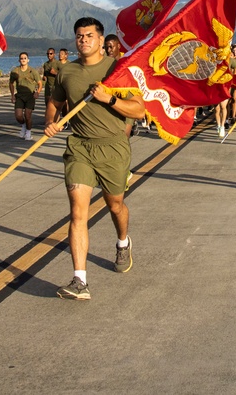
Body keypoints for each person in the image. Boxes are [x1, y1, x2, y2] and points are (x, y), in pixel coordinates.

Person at [44, 17, 146, 301]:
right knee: (78, 212)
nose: (84, 39)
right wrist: (50, 122)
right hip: (79, 147)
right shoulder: (67, 72)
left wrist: (108, 99)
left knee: (115, 205)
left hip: (113, 148)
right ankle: (80, 280)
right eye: (79, 35)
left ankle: (123, 242)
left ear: (102, 41)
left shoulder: (118, 71)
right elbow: (55, 102)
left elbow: (139, 111)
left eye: (89, 35)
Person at [9, 52, 42, 140]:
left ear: (28, 60)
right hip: (19, 96)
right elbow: (11, 83)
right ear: (19, 60)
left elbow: (39, 83)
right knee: (18, 116)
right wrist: (12, 95)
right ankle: (23, 125)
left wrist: (37, 92)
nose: (23, 60)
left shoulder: (33, 71)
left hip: (30, 96)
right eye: (21, 58)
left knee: (28, 115)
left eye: (25, 58)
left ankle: (28, 131)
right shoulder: (15, 71)